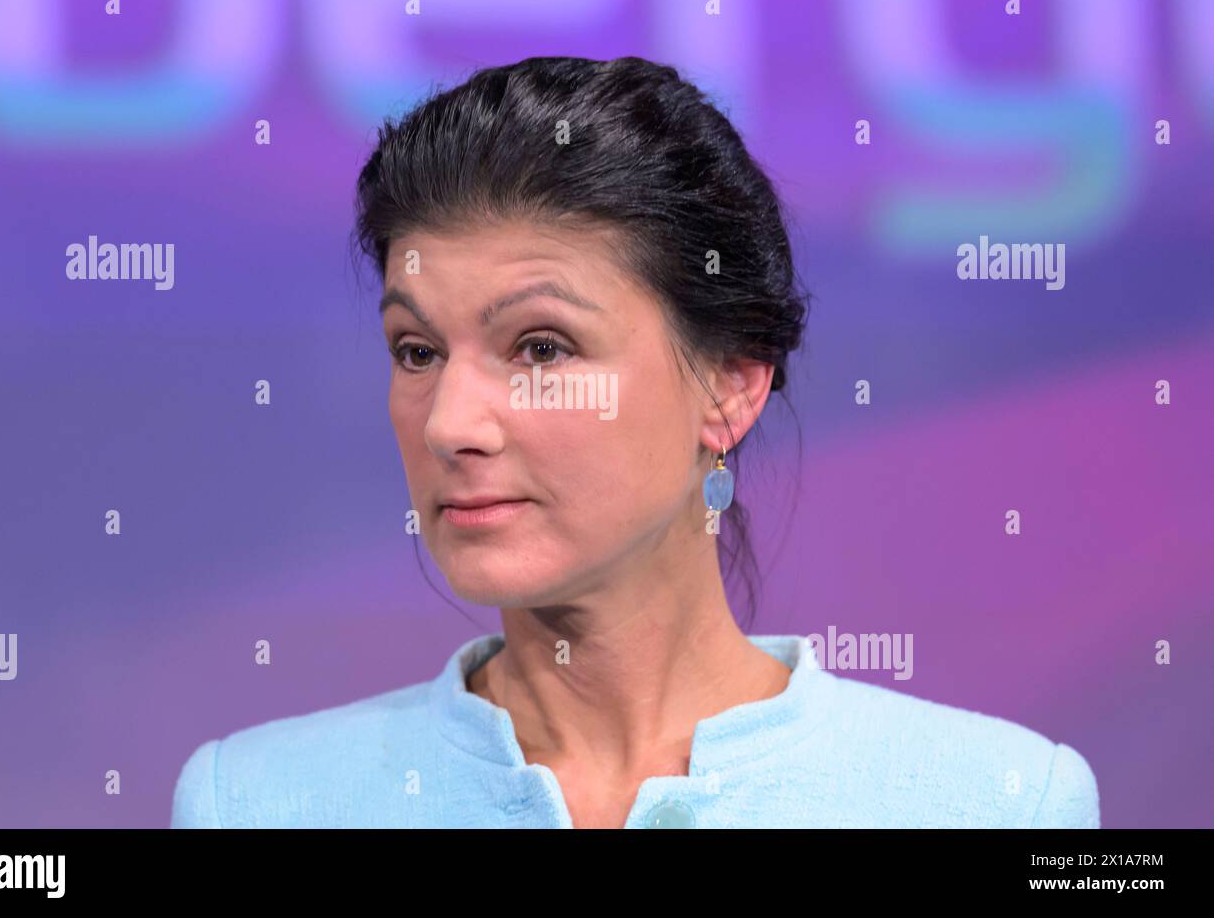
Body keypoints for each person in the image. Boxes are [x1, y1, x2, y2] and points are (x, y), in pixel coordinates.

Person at [171, 56, 1099, 828]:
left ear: (731, 384)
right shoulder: (254, 803)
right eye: (417, 351)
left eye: (541, 347)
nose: (450, 424)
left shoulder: (997, 804)